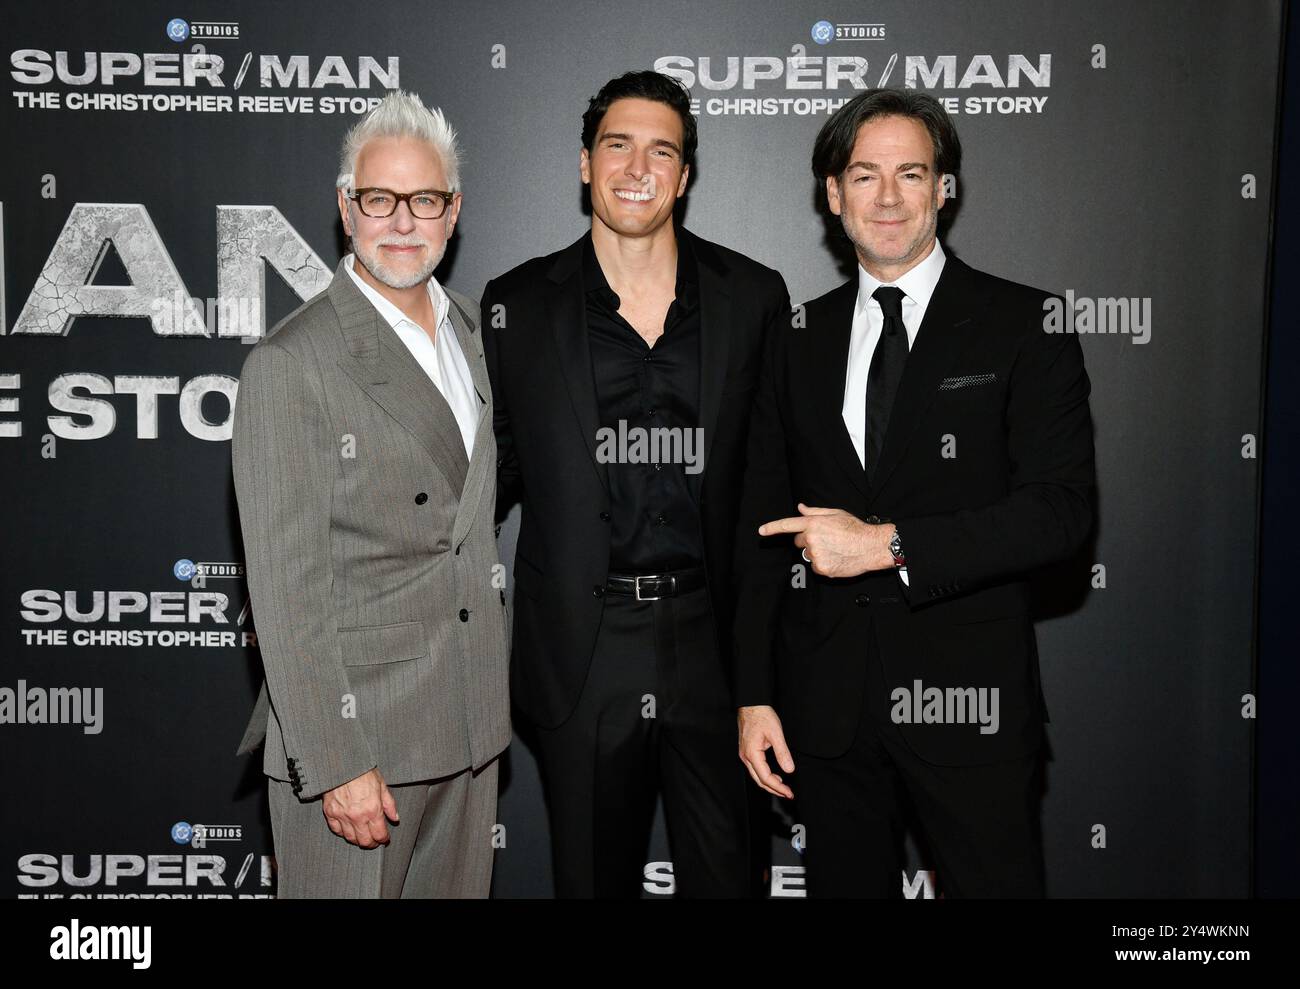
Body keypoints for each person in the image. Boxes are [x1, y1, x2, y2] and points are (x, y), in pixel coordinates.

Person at [734, 89, 1095, 898]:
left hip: (970, 705)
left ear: (944, 189)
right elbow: (758, 533)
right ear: (833, 194)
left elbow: (1061, 512)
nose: (888, 198)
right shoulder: (795, 337)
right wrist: (754, 696)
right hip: (825, 715)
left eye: (911, 174)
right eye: (864, 175)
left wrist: (888, 542)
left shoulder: (1023, 323)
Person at [482, 70, 790, 897]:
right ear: (585, 162)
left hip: (714, 643)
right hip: (584, 647)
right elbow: (484, 479)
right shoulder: (516, 305)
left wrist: (760, 680)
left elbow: (769, 497)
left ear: (685, 176)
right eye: (617, 144)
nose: (638, 166)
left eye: (663, 150)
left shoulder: (754, 298)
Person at [231, 90, 509, 898]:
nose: (401, 221)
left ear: (452, 211)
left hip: (468, 724)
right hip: (363, 739)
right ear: (346, 208)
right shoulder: (294, 361)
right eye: (378, 199)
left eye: (423, 200)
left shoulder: (473, 331)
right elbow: (285, 589)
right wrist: (336, 758)